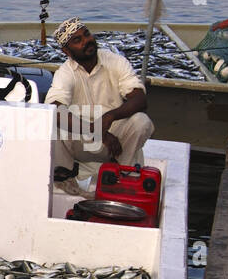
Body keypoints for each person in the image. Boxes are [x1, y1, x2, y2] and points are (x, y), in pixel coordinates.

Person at [44, 17, 153, 192]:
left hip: (115, 141)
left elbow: (140, 99)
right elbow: (55, 110)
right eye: (77, 40)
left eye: (86, 34)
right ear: (67, 51)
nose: (86, 41)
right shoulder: (65, 72)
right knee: (53, 125)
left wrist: (110, 117)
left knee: (141, 121)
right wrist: (96, 130)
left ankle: (124, 175)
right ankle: (64, 182)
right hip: (84, 139)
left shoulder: (116, 61)